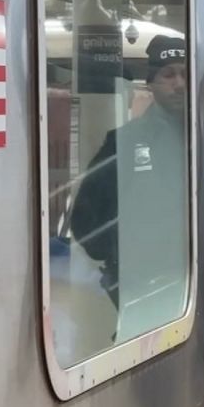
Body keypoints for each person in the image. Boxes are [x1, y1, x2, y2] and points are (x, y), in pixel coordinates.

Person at [69, 34, 190, 335]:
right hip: (143, 293)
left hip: (198, 285)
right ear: (151, 82)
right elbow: (85, 218)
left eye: (186, 73)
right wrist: (122, 258)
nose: (179, 83)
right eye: (168, 74)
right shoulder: (124, 143)